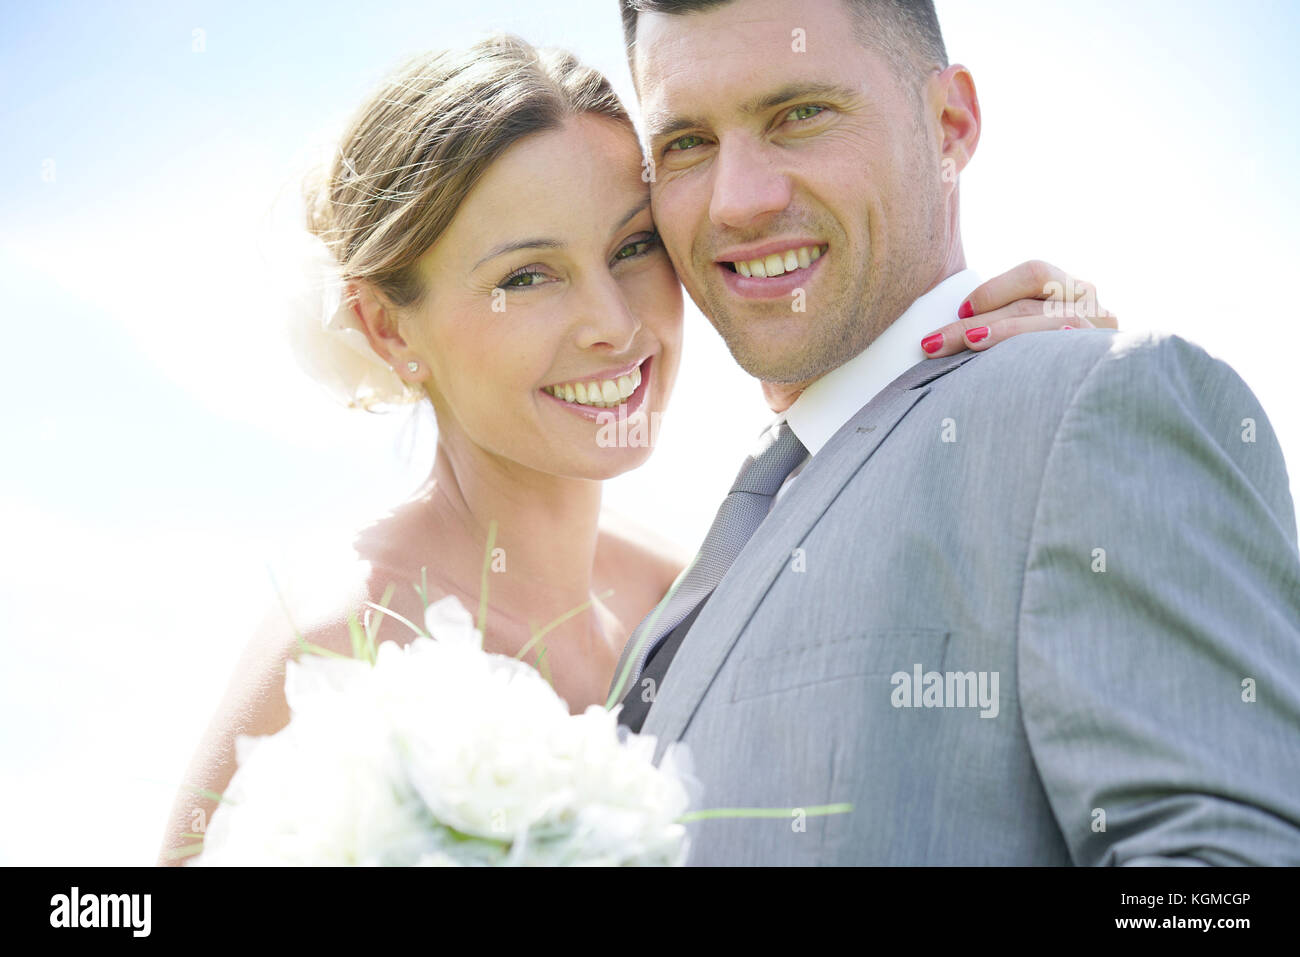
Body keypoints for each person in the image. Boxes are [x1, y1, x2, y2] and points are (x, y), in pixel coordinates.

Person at [158, 31, 1114, 864]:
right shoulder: (339, 641)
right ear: (388, 328)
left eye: (630, 249)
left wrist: (1009, 382)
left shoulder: (691, 587)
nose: (614, 327)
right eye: (528, 277)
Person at [609, 0, 1300, 865]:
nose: (740, 201)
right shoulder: (710, 553)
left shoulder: (1093, 410)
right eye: (686, 144)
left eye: (801, 114)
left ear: (950, 123)